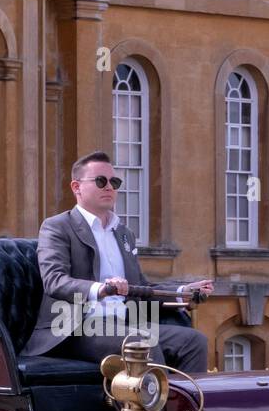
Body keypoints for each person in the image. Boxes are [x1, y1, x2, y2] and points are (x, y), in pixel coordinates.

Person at [23, 150, 213, 372]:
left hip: (125, 324)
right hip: (75, 327)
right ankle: (151, 406)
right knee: (142, 344)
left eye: (114, 181)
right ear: (76, 187)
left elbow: (140, 289)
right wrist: (101, 289)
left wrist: (182, 292)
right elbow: (55, 281)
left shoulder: (123, 233)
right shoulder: (57, 227)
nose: (109, 187)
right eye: (100, 181)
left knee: (194, 342)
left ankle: (185, 407)